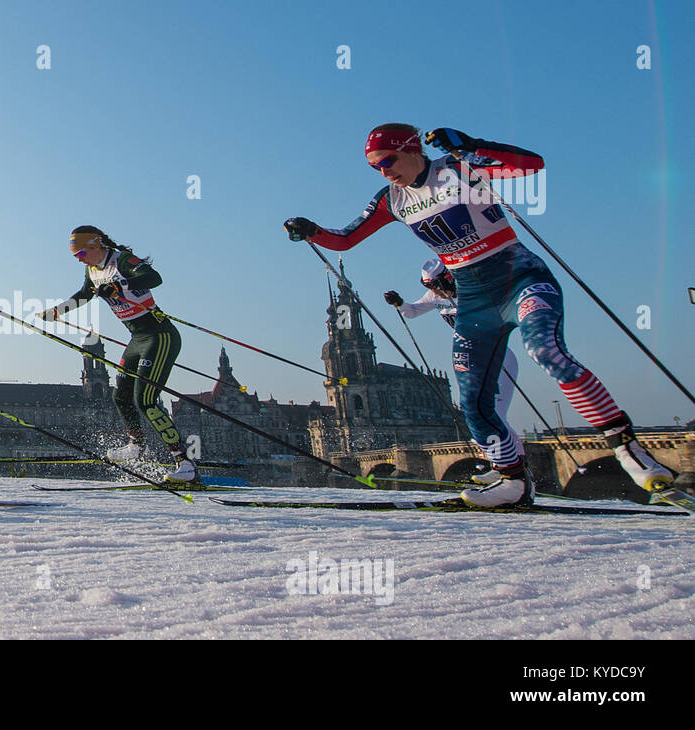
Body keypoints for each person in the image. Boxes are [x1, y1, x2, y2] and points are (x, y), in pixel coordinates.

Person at [285, 124, 676, 507]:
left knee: (547, 353)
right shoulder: (391, 199)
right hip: (473, 298)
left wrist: (472, 145)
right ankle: (513, 481)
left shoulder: (456, 169)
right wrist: (312, 231)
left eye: (388, 160)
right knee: (473, 402)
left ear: (413, 149)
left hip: (518, 277)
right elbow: (347, 239)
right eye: (375, 166)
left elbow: (531, 165)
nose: (383, 171)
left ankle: (627, 450)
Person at [38, 226, 197, 484]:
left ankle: (184, 463)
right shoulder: (92, 270)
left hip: (160, 336)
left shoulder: (120, 260)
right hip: (137, 339)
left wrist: (120, 284)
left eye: (80, 252)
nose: (78, 258)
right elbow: (83, 295)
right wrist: (58, 311)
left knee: (145, 400)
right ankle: (136, 445)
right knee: (120, 395)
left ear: (96, 244)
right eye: (75, 255)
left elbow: (153, 278)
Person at [385, 258, 519, 485]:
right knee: (480, 413)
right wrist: (399, 303)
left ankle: (510, 468)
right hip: (471, 357)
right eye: (428, 286)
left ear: (448, 278)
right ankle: (505, 465)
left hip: (496, 353)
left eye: (435, 285)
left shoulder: (472, 290)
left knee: (495, 414)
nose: (433, 290)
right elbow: (413, 312)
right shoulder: (435, 297)